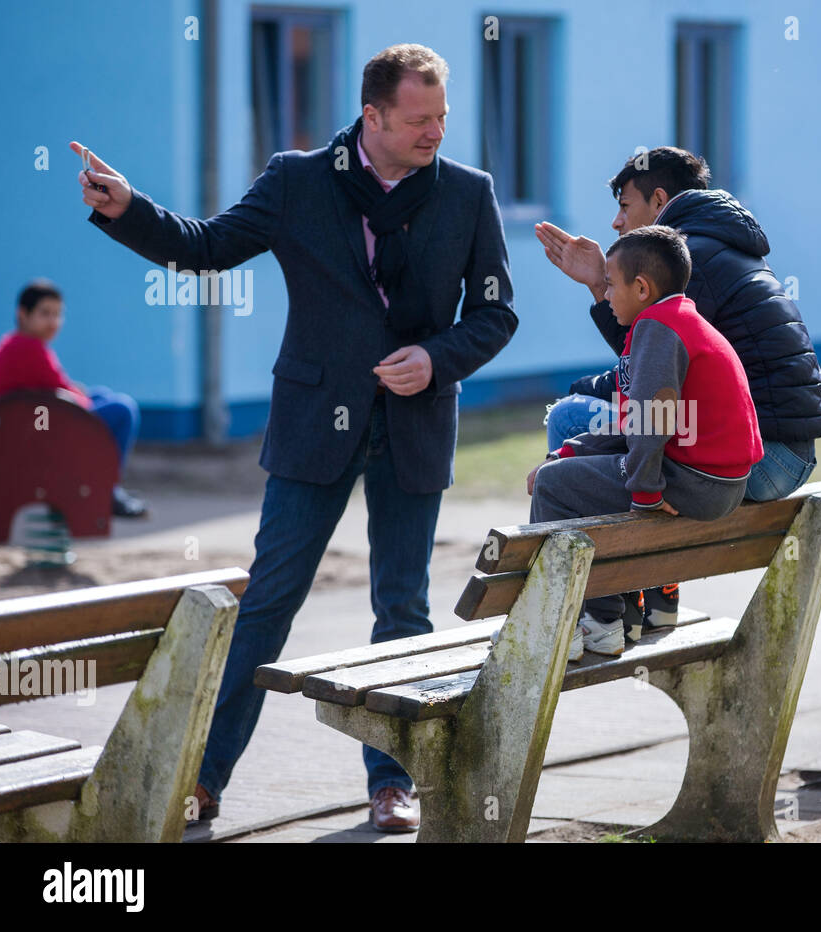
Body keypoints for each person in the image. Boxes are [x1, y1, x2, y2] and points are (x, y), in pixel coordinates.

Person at [75, 43, 518, 832]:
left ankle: (393, 783)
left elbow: (494, 311)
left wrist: (437, 356)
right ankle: (204, 780)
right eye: (420, 120)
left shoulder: (469, 193)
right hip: (315, 422)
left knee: (403, 608)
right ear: (372, 116)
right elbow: (207, 247)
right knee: (268, 603)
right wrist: (127, 210)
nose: (436, 133)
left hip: (416, 424)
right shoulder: (297, 179)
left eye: (443, 117)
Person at [535, 146, 821, 635]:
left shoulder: (696, 259)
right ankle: (647, 602)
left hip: (755, 462)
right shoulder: (720, 245)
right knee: (604, 427)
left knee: (570, 418)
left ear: (658, 200)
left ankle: (604, 611)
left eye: (625, 207)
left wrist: (582, 396)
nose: (615, 222)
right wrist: (601, 286)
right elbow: (651, 366)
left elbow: (650, 373)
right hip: (781, 452)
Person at [524, 225, 762, 658]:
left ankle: (558, 622)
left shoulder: (658, 327)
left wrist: (647, 493)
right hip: (717, 482)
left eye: (611, 285)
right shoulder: (679, 319)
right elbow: (640, 419)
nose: (607, 295)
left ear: (642, 287)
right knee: (566, 474)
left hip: (692, 481)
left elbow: (652, 419)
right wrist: (569, 451)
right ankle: (602, 620)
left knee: (553, 486)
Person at [0, 280, 147, 517]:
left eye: (58, 314)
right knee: (123, 409)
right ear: (23, 314)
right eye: (45, 314)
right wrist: (77, 394)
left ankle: (109, 486)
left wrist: (77, 392)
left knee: (102, 394)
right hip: (35, 439)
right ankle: (108, 489)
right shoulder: (29, 348)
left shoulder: (13, 344)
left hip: (27, 428)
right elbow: (77, 402)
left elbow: (58, 387)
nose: (53, 322)